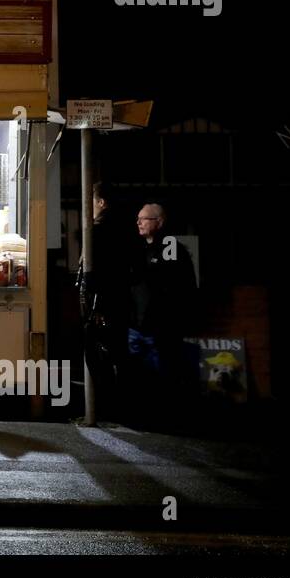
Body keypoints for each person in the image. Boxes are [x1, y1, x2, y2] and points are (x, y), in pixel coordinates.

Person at [129, 202, 199, 426]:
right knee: (140, 377)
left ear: (159, 222)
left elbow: (182, 290)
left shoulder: (171, 248)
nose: (139, 222)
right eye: (138, 218)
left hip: (161, 328)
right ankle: (145, 418)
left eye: (144, 219)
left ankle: (165, 421)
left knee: (163, 376)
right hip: (137, 327)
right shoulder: (138, 249)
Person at [86, 181, 140, 421]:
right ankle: (124, 407)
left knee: (101, 356)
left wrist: (94, 304)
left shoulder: (99, 229)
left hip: (103, 304)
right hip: (121, 301)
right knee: (119, 354)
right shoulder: (128, 228)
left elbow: (93, 273)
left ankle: (111, 409)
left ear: (101, 202)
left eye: (91, 201)